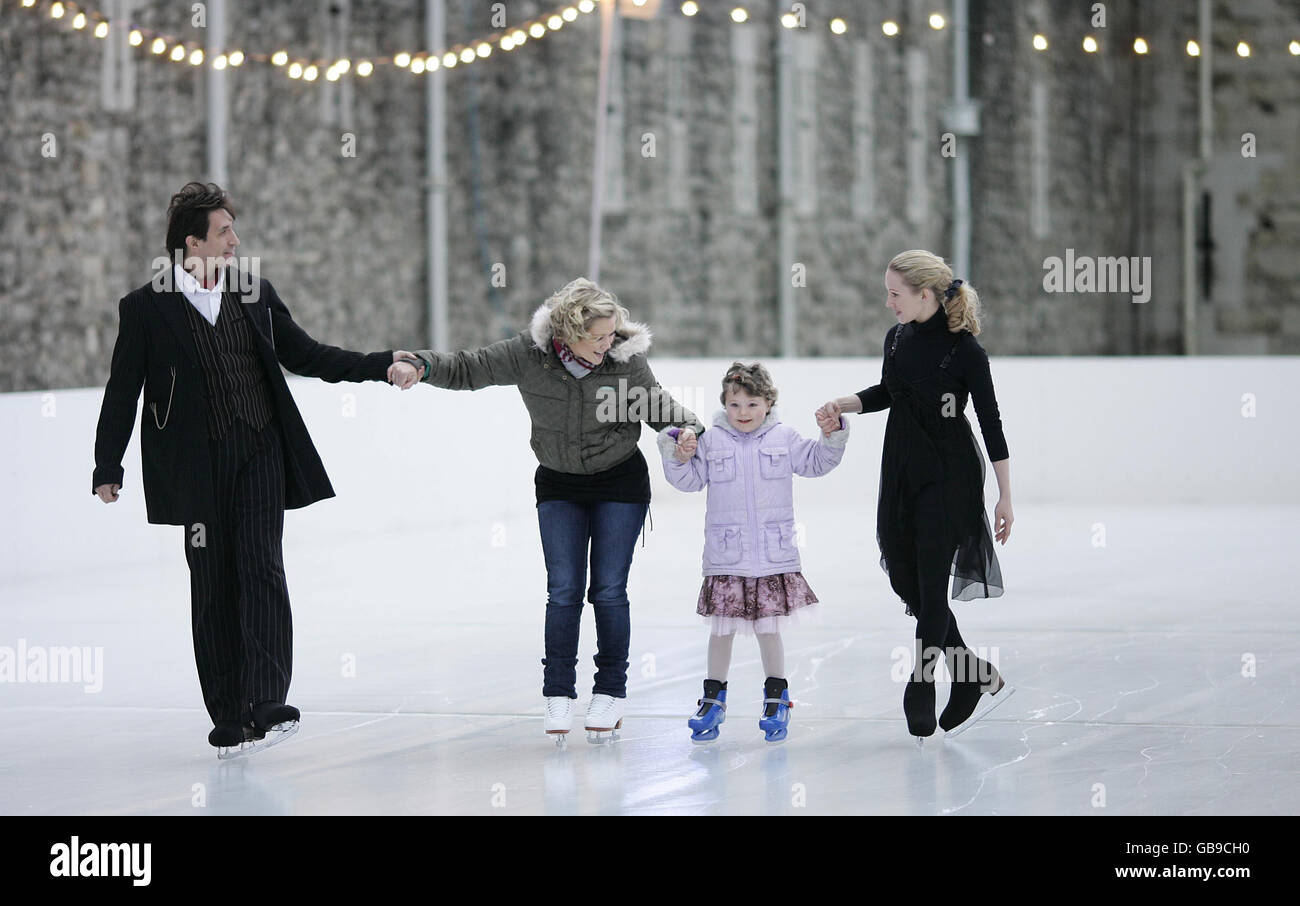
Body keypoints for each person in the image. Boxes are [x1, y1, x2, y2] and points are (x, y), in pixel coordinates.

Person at [92, 181, 420, 758]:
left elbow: (308, 355)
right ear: (191, 243)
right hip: (194, 469)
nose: (234, 242)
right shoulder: (145, 308)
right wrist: (106, 463)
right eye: (223, 233)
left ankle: (268, 700)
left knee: (262, 567)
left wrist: (379, 363)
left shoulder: (254, 294)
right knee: (213, 586)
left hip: (260, 453)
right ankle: (229, 716)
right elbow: (123, 390)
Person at [389, 278, 703, 743]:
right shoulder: (528, 355)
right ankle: (558, 692)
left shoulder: (625, 362)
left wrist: (690, 432)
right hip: (558, 482)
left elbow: (664, 411)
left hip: (619, 482)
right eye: (596, 336)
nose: (606, 343)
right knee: (563, 591)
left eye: (611, 334)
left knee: (609, 590)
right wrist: (422, 363)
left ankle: (610, 692)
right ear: (566, 334)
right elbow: (469, 367)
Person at [817, 249, 1014, 741]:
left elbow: (991, 423)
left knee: (929, 584)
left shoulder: (966, 352)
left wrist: (1005, 496)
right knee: (905, 577)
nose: (888, 303)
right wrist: (851, 402)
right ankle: (970, 672)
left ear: (925, 294)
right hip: (902, 469)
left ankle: (923, 680)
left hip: (950, 476)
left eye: (895, 293)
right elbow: (891, 391)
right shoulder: (898, 338)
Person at [657, 362, 849, 743]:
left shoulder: (785, 438)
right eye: (734, 405)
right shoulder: (711, 440)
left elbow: (817, 462)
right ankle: (712, 701)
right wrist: (677, 451)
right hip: (727, 557)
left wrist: (833, 435)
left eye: (752, 404)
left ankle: (776, 698)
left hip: (771, 557)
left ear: (768, 402)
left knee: (768, 629)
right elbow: (689, 480)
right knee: (721, 630)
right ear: (724, 405)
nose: (742, 413)